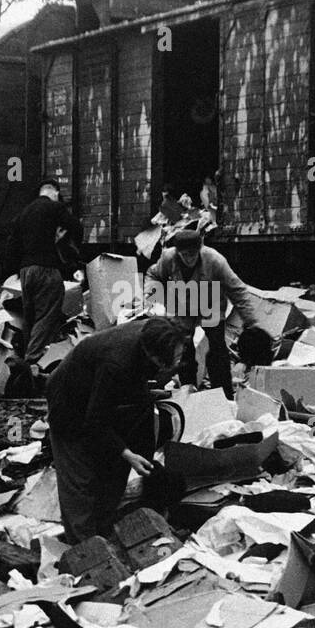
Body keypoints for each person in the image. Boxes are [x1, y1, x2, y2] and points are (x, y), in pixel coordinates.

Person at [45, 317, 187, 542]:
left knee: (113, 471)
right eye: (175, 358)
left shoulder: (155, 332)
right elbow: (95, 422)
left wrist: (135, 454)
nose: (178, 361)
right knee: (80, 484)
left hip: (106, 401)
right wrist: (127, 453)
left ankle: (105, 531)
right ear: (154, 356)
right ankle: (85, 551)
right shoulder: (116, 363)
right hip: (69, 403)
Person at [145, 228, 257, 398]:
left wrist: (251, 322)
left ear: (200, 250)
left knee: (217, 351)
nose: (190, 258)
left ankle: (223, 394)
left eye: (193, 254)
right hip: (182, 306)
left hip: (210, 304)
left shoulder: (215, 260)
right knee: (184, 351)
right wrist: (152, 299)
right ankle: (189, 392)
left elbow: (237, 290)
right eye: (185, 255)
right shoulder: (168, 258)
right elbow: (153, 274)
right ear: (178, 253)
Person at [9, 180, 81, 368]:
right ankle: (31, 361)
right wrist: (61, 240)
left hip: (26, 271)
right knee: (47, 314)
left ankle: (24, 356)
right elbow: (76, 227)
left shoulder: (23, 213)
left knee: (30, 316)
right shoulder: (55, 208)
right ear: (55, 192)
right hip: (47, 269)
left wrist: (20, 269)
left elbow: (12, 246)